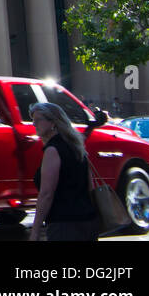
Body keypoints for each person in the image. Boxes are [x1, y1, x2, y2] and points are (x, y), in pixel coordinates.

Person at [29, 101, 99, 241]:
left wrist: (35, 230)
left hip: (63, 224)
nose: (34, 124)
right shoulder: (77, 148)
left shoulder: (53, 150)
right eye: (33, 120)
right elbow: (90, 187)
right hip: (88, 221)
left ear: (53, 122)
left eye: (38, 120)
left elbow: (46, 194)